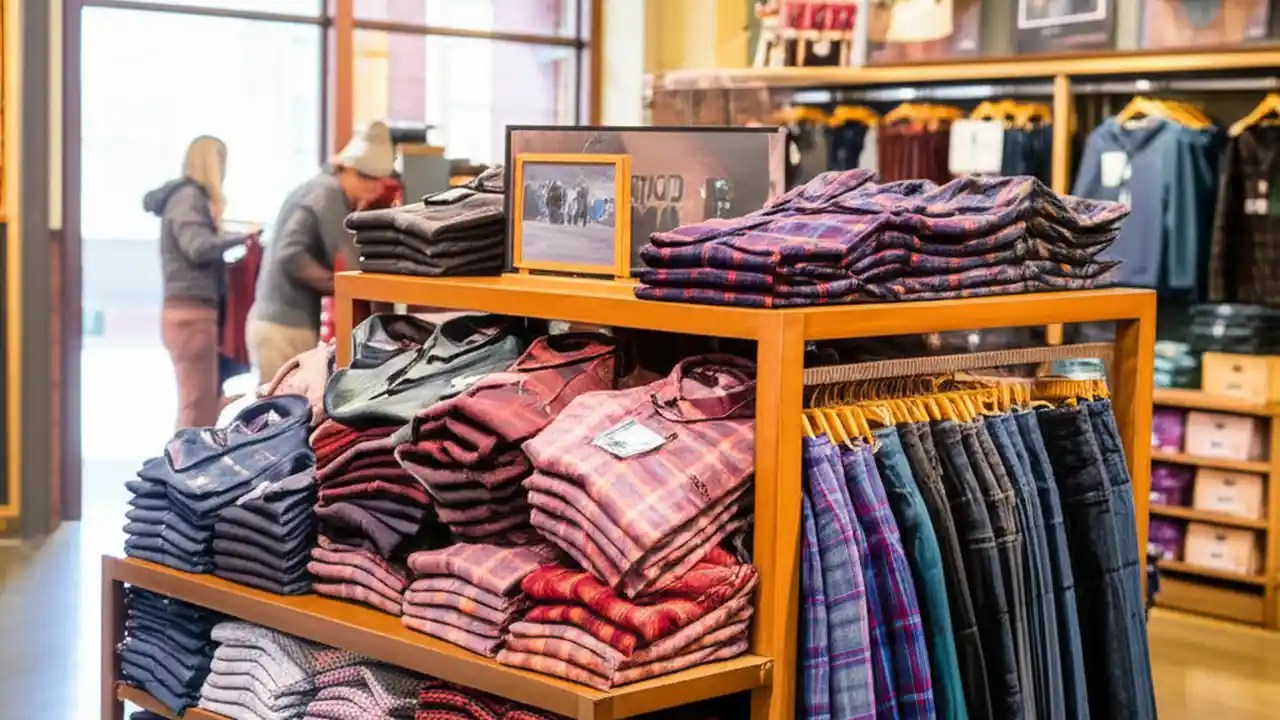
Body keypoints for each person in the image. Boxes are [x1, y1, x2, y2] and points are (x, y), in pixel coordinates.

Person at [247, 121, 394, 382]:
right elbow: (290, 255)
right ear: (348, 170)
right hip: (284, 326)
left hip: (279, 322)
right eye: (368, 178)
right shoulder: (328, 192)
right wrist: (341, 286)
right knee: (284, 406)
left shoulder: (317, 188)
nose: (376, 189)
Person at [145, 135, 248, 430]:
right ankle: (186, 459)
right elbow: (198, 247)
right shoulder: (189, 198)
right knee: (197, 407)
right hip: (193, 315)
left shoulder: (182, 198)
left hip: (186, 314)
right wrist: (239, 238)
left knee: (200, 402)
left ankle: (187, 456)